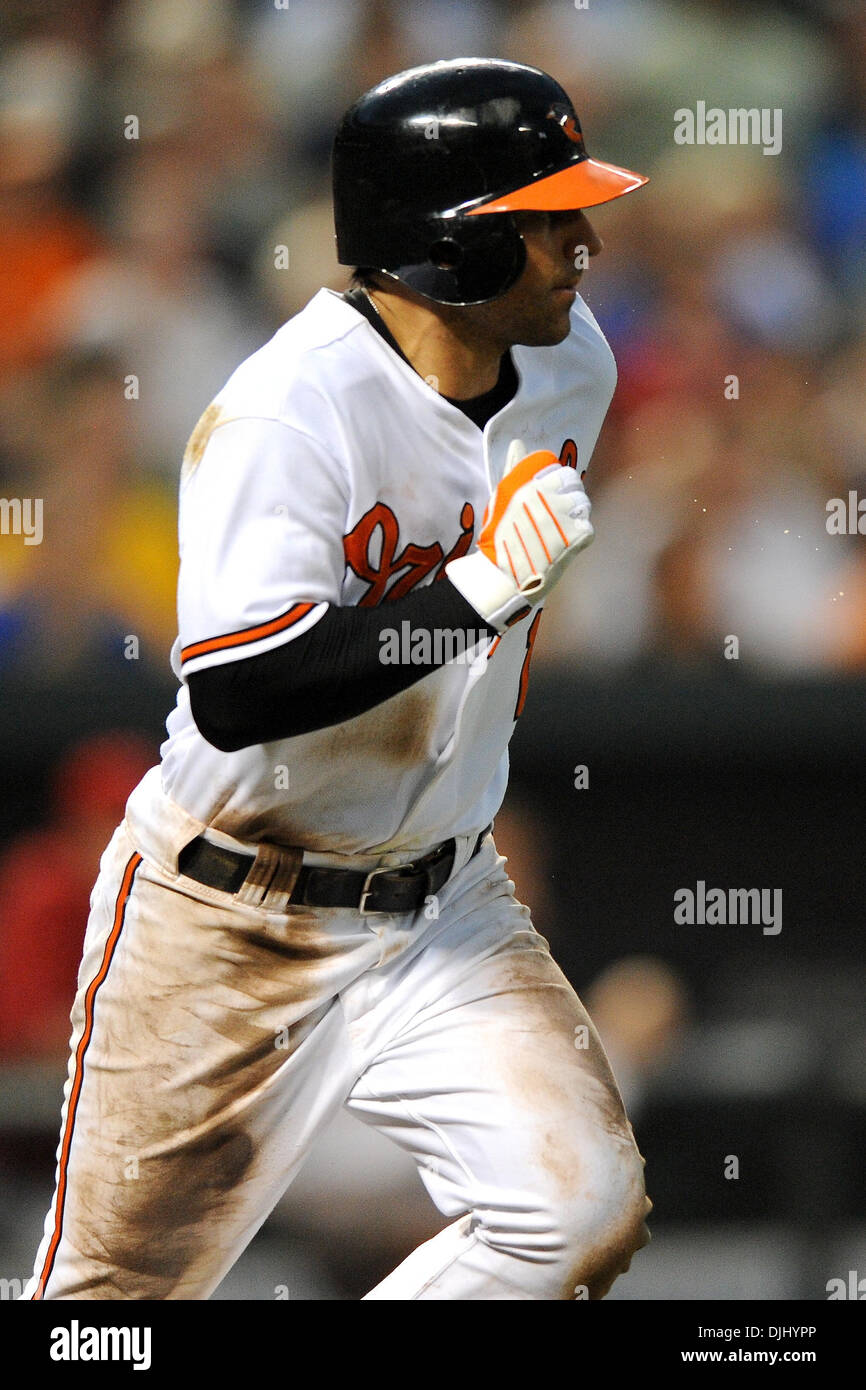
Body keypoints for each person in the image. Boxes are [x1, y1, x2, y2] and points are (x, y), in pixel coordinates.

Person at [26, 57, 650, 1301]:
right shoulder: (289, 411)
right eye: (545, 218)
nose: (583, 246)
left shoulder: (572, 364)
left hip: (443, 900)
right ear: (448, 246)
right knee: (107, 1319)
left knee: (575, 1211)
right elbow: (238, 691)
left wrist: (472, 597)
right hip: (230, 912)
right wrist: (470, 590)